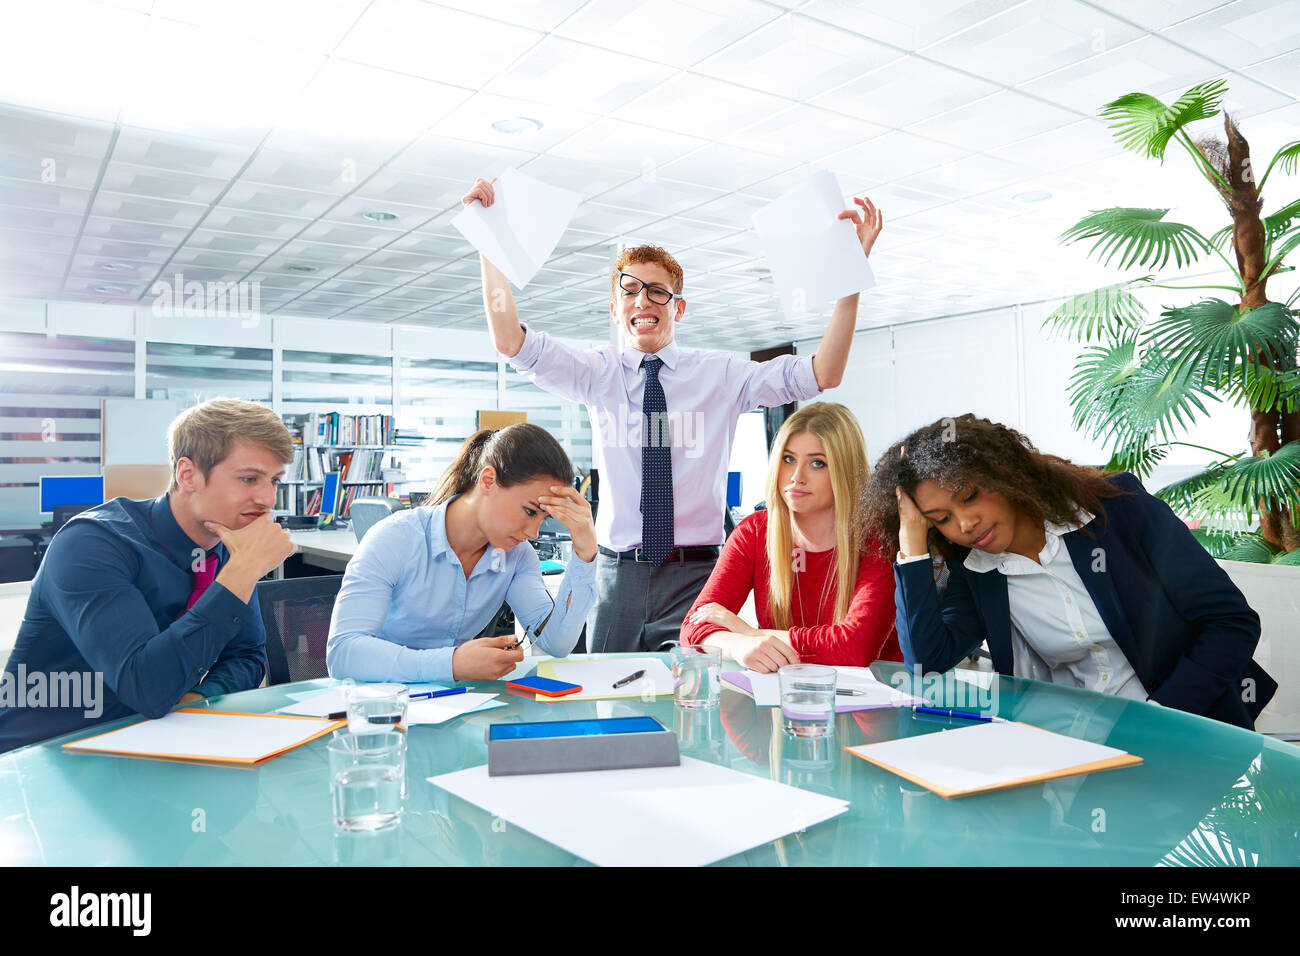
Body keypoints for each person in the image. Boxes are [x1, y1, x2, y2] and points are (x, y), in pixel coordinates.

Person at [461, 176, 884, 653]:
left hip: (697, 576)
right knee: (609, 704)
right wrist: (490, 245)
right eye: (630, 290)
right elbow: (510, 342)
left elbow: (824, 372)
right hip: (618, 574)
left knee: (692, 706)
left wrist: (849, 280)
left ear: (678, 308)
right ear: (616, 309)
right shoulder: (596, 373)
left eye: (657, 291)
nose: (643, 300)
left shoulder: (721, 375)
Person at [863, 414, 1276, 729]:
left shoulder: (1119, 511)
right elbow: (926, 666)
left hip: (1187, 734)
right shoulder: (976, 569)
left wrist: (1158, 720)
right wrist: (912, 544)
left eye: (970, 497)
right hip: (1073, 750)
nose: (965, 524)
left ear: (1003, 475)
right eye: (942, 519)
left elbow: (1231, 623)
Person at [0, 398, 297, 753]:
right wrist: (244, 570)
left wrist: (197, 696)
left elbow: (248, 656)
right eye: (249, 478)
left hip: (150, 740)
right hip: (45, 753)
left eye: (274, 481)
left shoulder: (225, 544)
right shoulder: (91, 545)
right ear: (187, 475)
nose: (267, 498)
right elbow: (147, 687)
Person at [327, 424, 597, 683]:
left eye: (543, 518)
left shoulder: (517, 556)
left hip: (458, 704)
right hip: (382, 706)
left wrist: (585, 553)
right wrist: (451, 664)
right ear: (488, 480)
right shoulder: (394, 539)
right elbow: (343, 653)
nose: (534, 532)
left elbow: (556, 643)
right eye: (529, 511)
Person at [680, 402, 900, 671]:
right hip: (788, 692)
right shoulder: (754, 532)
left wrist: (750, 633)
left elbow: (855, 646)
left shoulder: (877, 539)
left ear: (846, 471)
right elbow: (693, 628)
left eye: (817, 463)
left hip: (876, 699)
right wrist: (739, 646)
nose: (796, 477)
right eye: (788, 459)